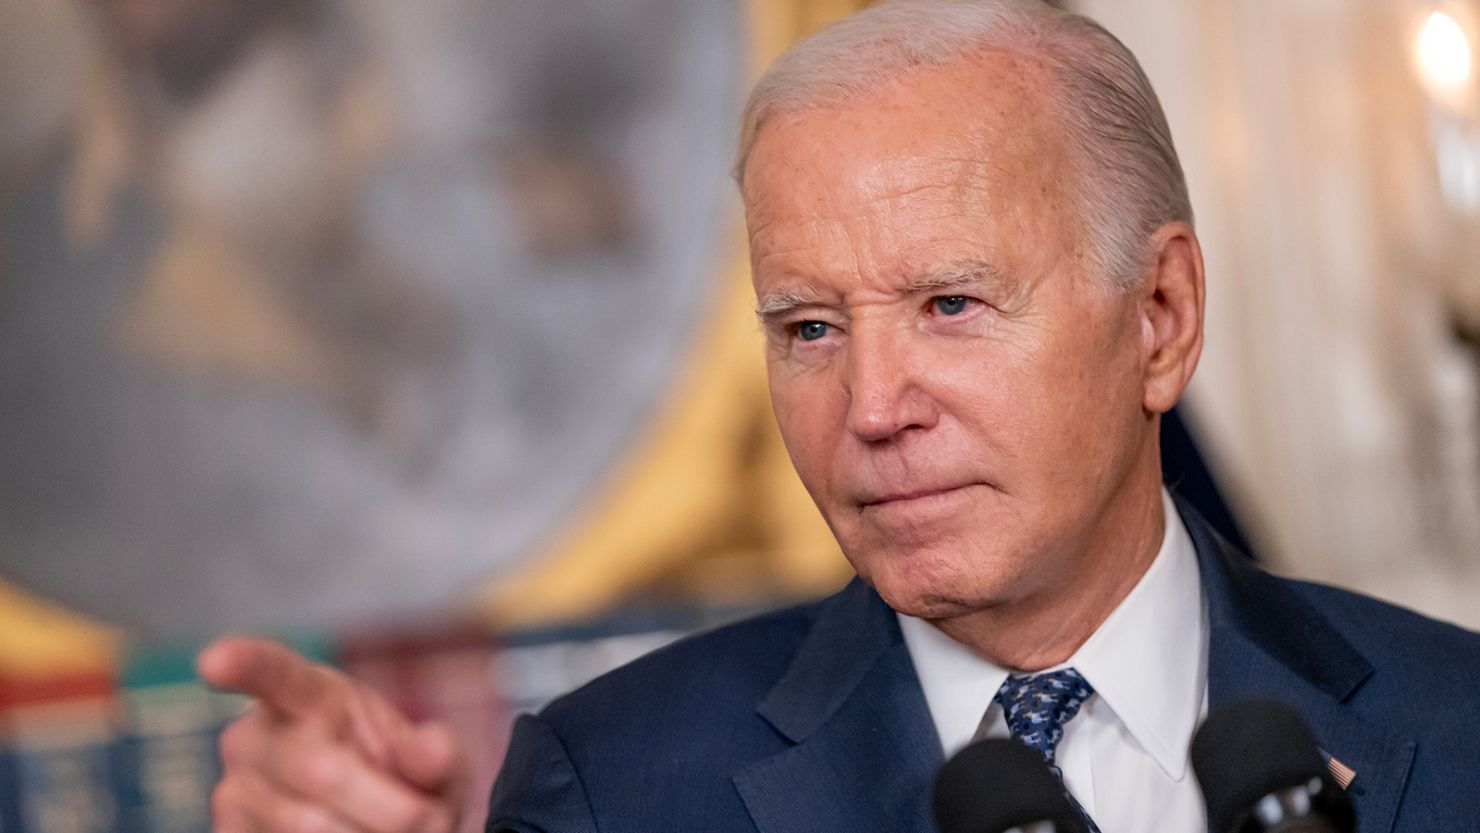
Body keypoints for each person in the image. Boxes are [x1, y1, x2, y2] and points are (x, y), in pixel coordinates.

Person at [198, 1, 1480, 832]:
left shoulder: (1456, 725)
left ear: (1159, 316)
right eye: (808, 326)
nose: (870, 408)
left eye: (952, 303)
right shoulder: (617, 789)